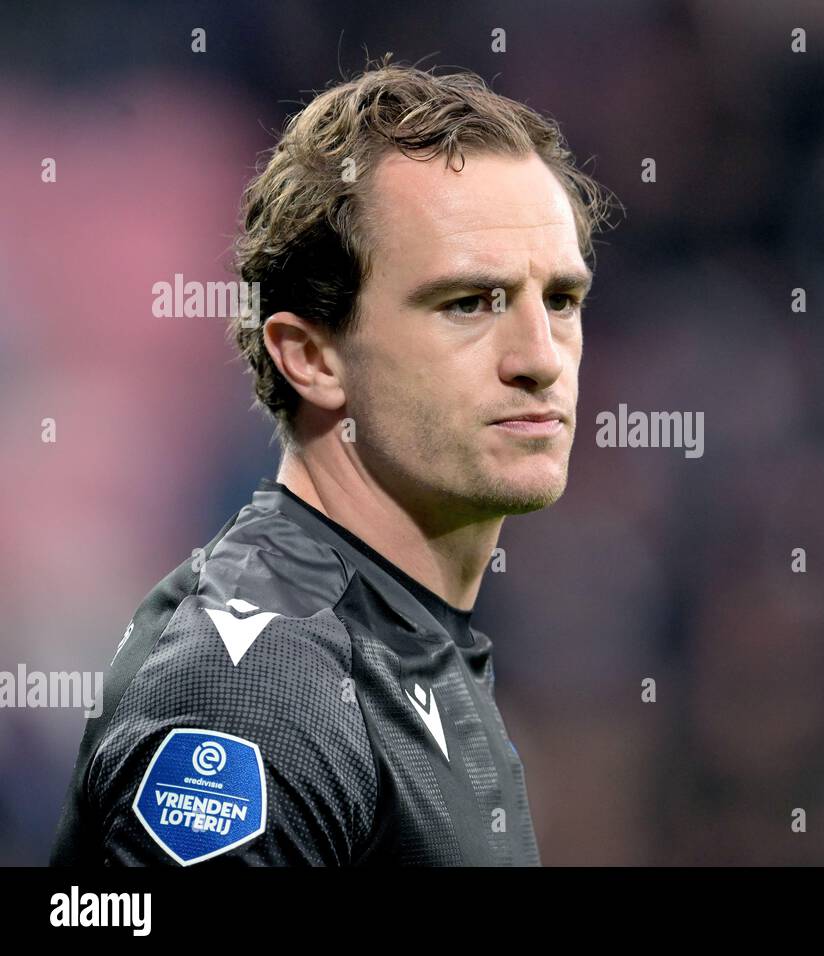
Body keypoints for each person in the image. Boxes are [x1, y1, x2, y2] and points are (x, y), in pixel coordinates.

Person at [49, 59, 616, 865]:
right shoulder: (252, 688)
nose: (540, 358)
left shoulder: (402, 644)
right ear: (312, 359)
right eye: (465, 303)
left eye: (560, 300)